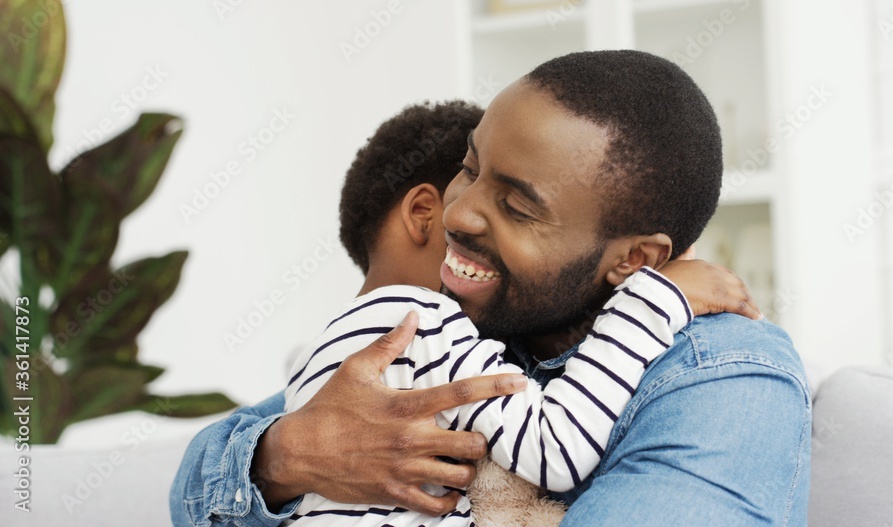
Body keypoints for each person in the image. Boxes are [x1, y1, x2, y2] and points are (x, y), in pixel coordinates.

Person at [173, 51, 810, 527]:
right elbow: (197, 483)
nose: (459, 214)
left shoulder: (721, 374)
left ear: (635, 260)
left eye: (518, 207)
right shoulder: (452, 326)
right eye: (470, 168)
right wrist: (288, 455)